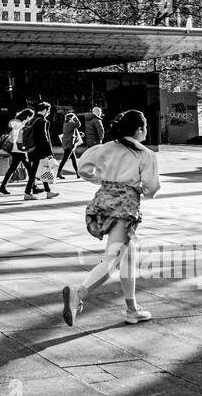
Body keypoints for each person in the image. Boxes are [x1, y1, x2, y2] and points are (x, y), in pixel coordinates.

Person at [61, 109, 161, 326]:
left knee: (128, 256)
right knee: (114, 258)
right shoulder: (145, 154)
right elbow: (153, 187)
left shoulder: (105, 148)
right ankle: (79, 293)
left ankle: (132, 308)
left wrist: (102, 180)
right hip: (124, 207)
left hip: (102, 202)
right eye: (144, 128)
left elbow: (84, 169)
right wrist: (141, 190)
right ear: (139, 129)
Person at [22, 102, 59, 201]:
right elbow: (44, 138)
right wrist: (49, 153)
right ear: (45, 110)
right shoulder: (42, 121)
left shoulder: (31, 120)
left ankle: (48, 191)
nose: (48, 113)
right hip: (40, 150)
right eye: (48, 110)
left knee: (43, 170)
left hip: (31, 149)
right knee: (37, 172)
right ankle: (27, 193)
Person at [0, 108, 34, 195]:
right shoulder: (20, 124)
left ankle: (2, 186)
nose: (31, 118)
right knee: (31, 170)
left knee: (12, 169)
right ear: (28, 116)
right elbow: (17, 137)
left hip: (17, 150)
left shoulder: (18, 123)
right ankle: (33, 187)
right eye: (31, 117)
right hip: (19, 150)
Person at [56, 109, 82, 179]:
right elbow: (78, 124)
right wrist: (75, 118)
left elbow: (72, 132)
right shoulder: (70, 124)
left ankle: (78, 173)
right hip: (69, 144)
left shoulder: (66, 124)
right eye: (73, 118)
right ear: (71, 118)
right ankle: (58, 172)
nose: (74, 119)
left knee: (73, 159)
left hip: (67, 143)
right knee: (65, 159)